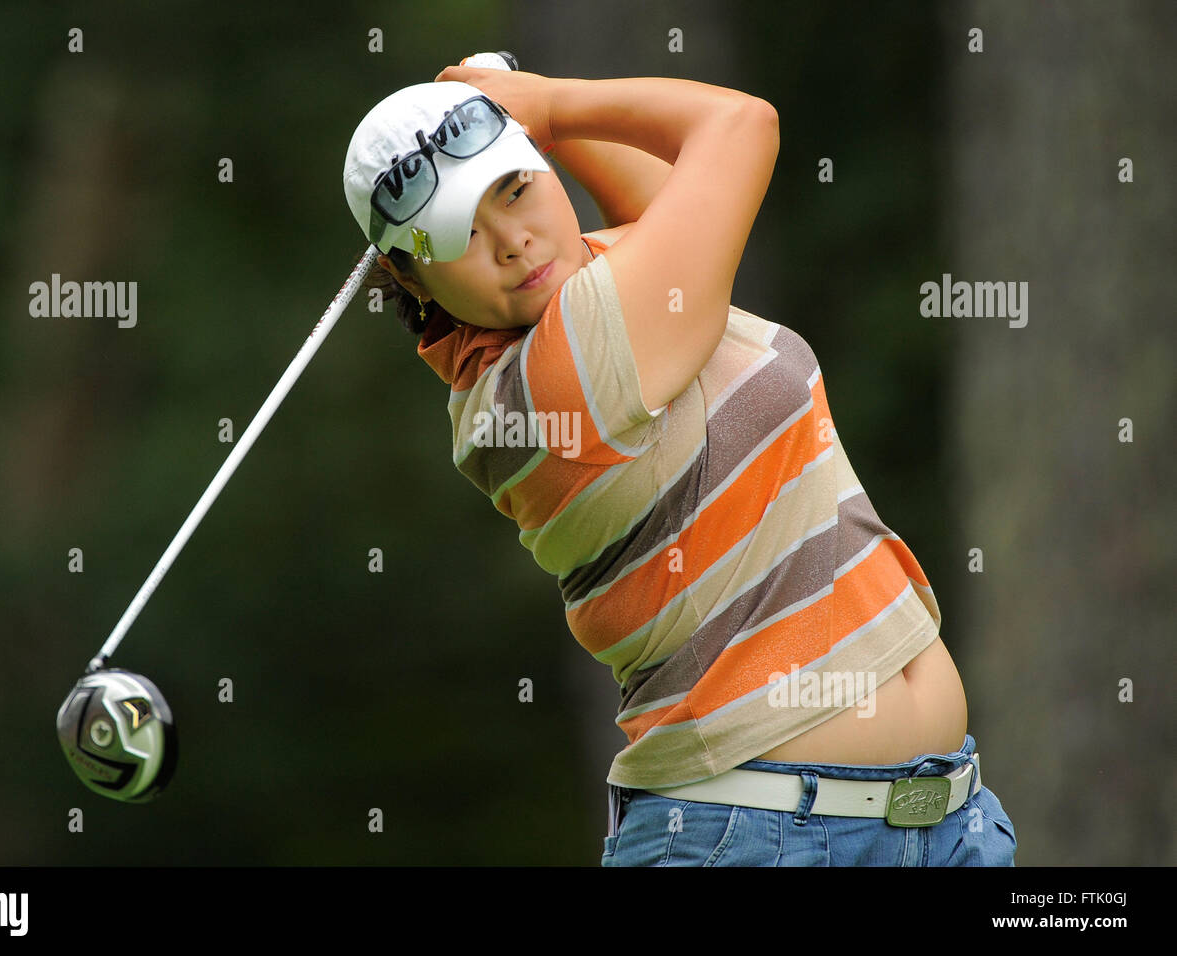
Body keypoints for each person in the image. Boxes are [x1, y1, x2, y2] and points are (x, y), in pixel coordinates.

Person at [342, 64, 1017, 866]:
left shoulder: (599, 293)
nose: (512, 241)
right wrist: (555, 106)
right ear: (410, 276)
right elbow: (740, 126)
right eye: (461, 233)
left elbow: (661, 204)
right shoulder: (554, 375)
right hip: (756, 837)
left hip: (945, 820)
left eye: (516, 188)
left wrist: (531, 113)